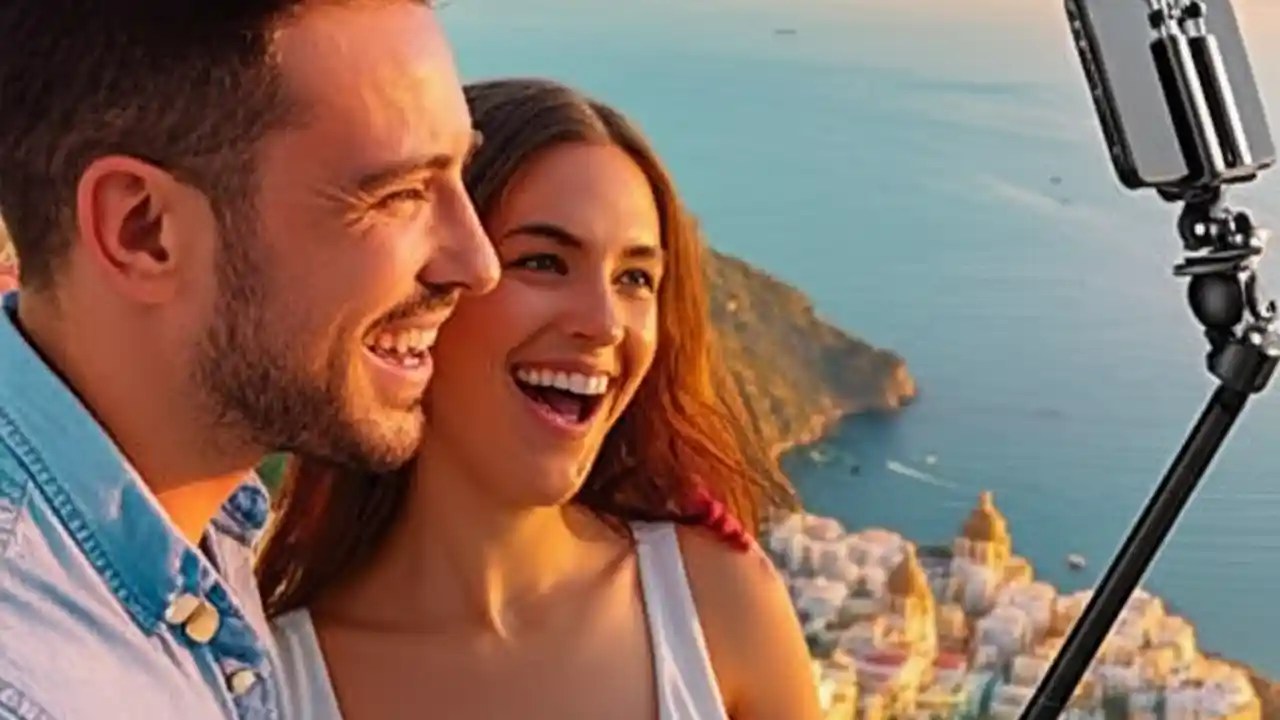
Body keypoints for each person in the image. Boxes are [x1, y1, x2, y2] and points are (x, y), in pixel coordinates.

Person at [258, 77, 824, 720]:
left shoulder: (714, 607)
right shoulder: (277, 681)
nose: (605, 322)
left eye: (635, 278)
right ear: (427, 289)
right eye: (544, 263)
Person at [0, 2, 497, 718]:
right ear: (144, 231)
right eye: (400, 194)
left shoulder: (190, 524)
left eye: (459, 176)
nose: (476, 263)